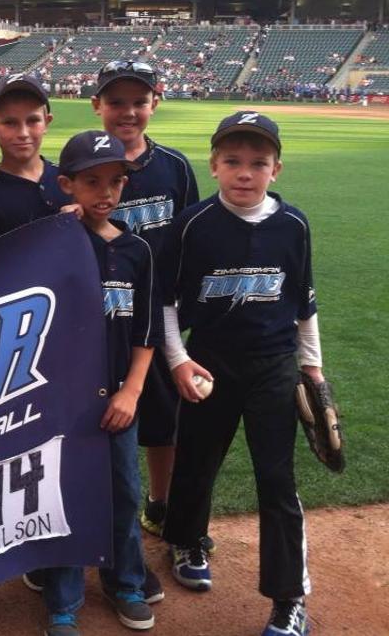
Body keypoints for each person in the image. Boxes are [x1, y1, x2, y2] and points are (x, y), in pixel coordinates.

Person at [160, 112, 321, 636]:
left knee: (277, 480)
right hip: (209, 361)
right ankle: (186, 539)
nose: (245, 173)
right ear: (214, 165)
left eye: (258, 163)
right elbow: (164, 303)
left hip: (273, 366)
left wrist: (311, 368)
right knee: (197, 461)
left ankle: (289, 596)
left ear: (277, 169)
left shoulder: (293, 224)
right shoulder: (193, 224)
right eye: (233, 161)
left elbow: (304, 304)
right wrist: (178, 360)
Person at [38, 130, 161, 635]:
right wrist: (57, 230)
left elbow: (146, 332)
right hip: (64, 399)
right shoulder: (56, 243)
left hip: (117, 399)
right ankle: (62, 600)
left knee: (124, 493)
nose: (105, 192)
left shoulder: (138, 251)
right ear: (67, 185)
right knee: (66, 493)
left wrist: (131, 392)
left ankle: (126, 582)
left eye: (115, 181)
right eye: (91, 182)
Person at [89, 60, 201, 555]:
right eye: (116, 102)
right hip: (103, 319)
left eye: (139, 101)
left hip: (162, 316)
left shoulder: (173, 167)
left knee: (165, 421)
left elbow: (194, 238)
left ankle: (161, 505)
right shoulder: (82, 170)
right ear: (97, 107)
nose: (127, 112)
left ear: (155, 103)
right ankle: (91, 521)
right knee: (94, 424)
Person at [0, 73, 70, 249]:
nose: (23, 133)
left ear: (47, 123)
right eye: (10, 123)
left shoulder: (69, 180)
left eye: (33, 120)